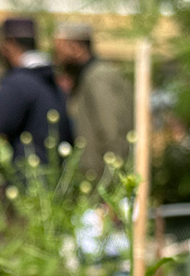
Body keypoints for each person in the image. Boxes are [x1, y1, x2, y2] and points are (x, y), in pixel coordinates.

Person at [53, 22, 134, 179]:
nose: (57, 59)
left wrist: (112, 178)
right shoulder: (88, 77)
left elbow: (111, 132)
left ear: (75, 47)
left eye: (60, 50)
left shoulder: (98, 77)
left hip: (105, 179)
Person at [0, 18, 73, 164]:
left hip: (28, 175)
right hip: (53, 172)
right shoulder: (51, 81)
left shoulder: (19, 83)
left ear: (10, 44)